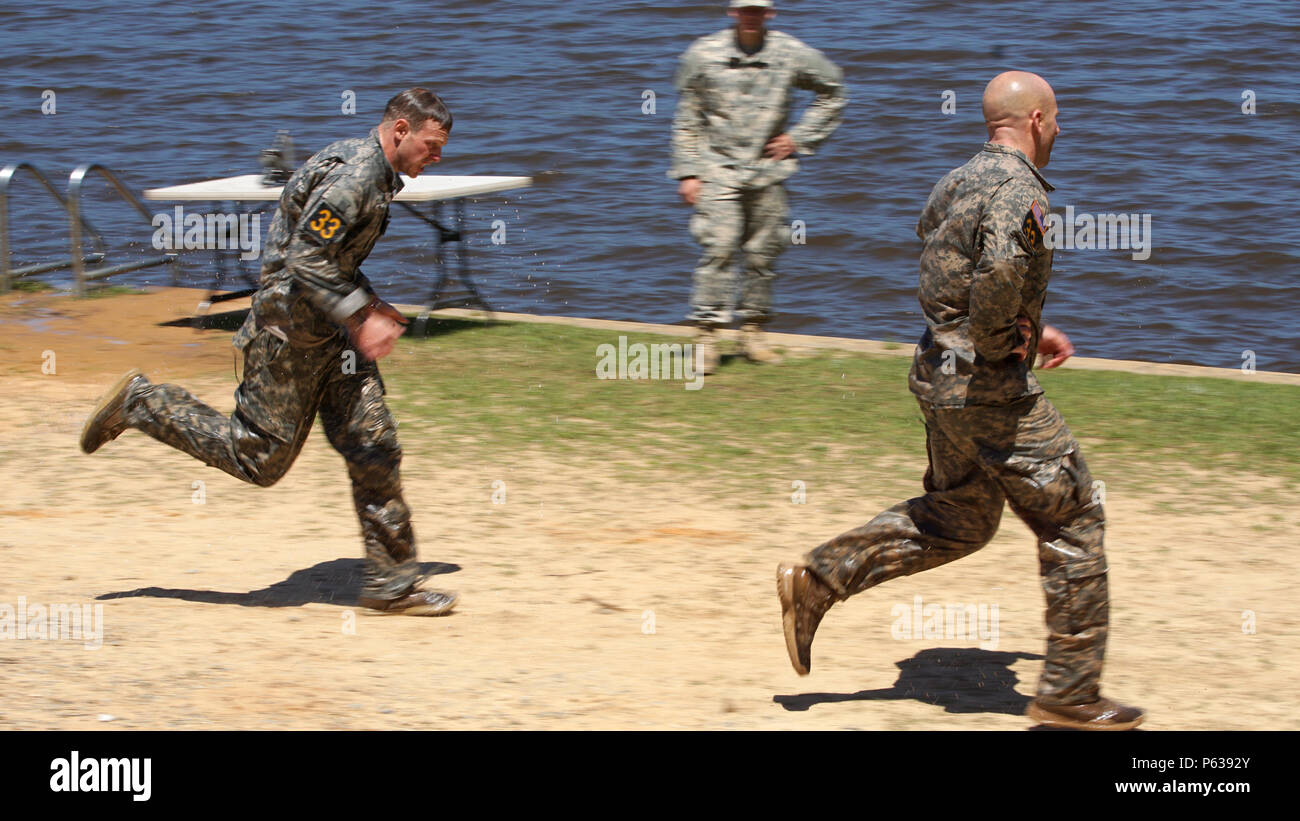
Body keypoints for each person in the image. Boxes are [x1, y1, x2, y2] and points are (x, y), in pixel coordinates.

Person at [776, 71, 1147, 730]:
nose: (1059, 129)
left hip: (938, 375)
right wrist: (1006, 338)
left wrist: (1025, 325)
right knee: (1075, 516)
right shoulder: (1021, 190)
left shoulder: (959, 178)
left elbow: (939, 247)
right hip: (989, 387)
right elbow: (1001, 270)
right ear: (1035, 120)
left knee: (962, 518)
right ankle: (1070, 692)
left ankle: (820, 576)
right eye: (1056, 118)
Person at [80, 88, 459, 616]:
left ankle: (391, 583)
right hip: (289, 337)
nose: (437, 157)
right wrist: (362, 313)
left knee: (375, 443)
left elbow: (332, 259)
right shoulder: (355, 177)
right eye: (431, 144)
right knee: (258, 460)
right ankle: (143, 404)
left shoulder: (375, 172)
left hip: (333, 338)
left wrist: (369, 303)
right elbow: (306, 257)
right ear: (400, 129)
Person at [670, 0, 845, 373]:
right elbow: (687, 118)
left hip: (767, 170)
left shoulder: (789, 52)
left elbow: (834, 90)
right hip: (716, 168)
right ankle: (707, 336)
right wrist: (687, 172)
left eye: (759, 10)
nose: (752, 16)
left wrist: (797, 138)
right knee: (718, 248)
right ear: (733, 12)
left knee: (763, 254)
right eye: (745, 9)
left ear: (770, 14)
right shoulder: (704, 53)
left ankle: (752, 331)